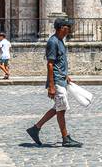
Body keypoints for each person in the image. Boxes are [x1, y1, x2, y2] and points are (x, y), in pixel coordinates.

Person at [27, 17, 81, 148]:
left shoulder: (60, 41)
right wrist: (51, 86)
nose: (70, 29)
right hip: (56, 81)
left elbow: (59, 62)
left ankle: (36, 128)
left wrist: (66, 75)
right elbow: (50, 64)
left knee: (59, 107)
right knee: (61, 109)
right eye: (68, 27)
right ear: (62, 28)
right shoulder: (53, 42)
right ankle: (65, 138)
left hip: (60, 79)